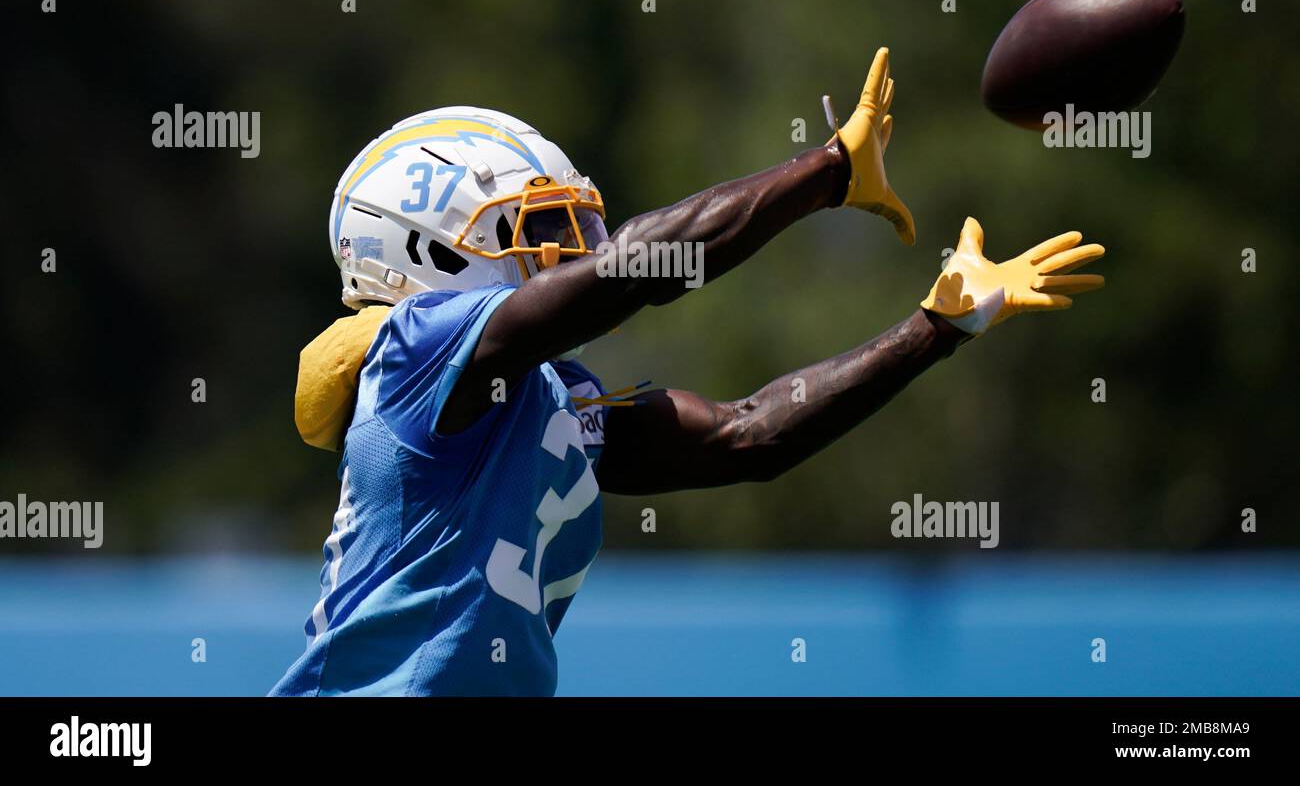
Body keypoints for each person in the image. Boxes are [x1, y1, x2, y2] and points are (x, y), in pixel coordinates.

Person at [270, 48, 1105, 696]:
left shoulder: (541, 398)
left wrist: (936, 327)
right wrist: (826, 172)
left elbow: (748, 434)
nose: (567, 251)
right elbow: (638, 270)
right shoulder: (417, 356)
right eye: (531, 226)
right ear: (420, 246)